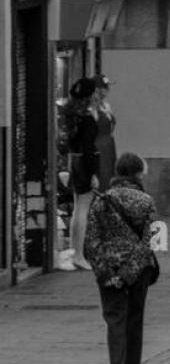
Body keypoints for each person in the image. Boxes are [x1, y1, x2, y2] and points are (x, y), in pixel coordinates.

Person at [84, 152, 159, 364]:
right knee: (135, 319)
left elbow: (91, 242)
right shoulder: (146, 201)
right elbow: (151, 243)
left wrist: (105, 271)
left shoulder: (101, 201)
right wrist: (129, 271)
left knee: (114, 319)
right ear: (138, 173)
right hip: (138, 270)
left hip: (109, 267)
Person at [61, 77, 99, 269]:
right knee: (83, 208)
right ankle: (79, 254)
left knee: (78, 208)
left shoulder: (71, 114)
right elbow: (89, 147)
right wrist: (93, 172)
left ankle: (75, 251)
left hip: (75, 160)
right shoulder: (86, 118)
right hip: (84, 162)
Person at [93, 75, 118, 191]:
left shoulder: (106, 105)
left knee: (109, 177)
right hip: (98, 145)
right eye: (105, 87)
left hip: (108, 145)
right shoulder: (92, 107)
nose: (108, 89)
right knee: (102, 177)